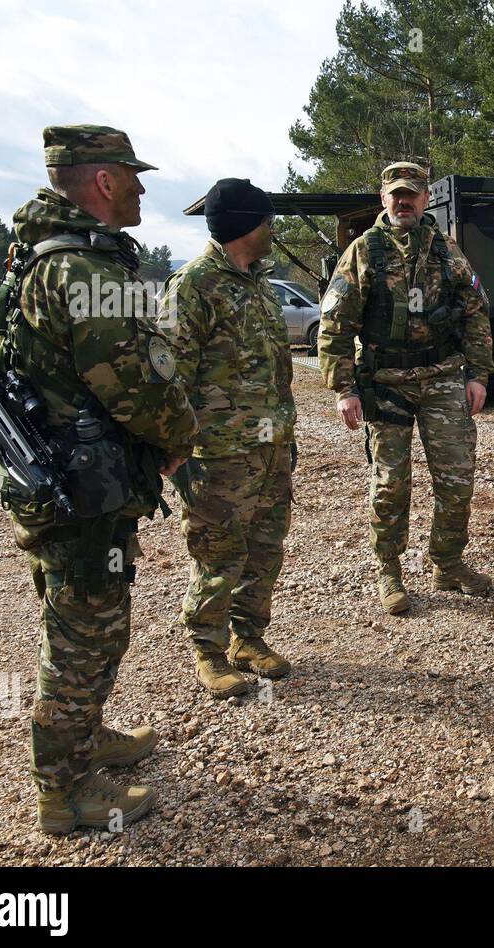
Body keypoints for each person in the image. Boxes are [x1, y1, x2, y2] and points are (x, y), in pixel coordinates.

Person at [0, 126, 197, 833]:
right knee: (82, 634)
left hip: (70, 478)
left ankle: (86, 740)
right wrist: (177, 439)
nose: (143, 189)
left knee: (85, 622)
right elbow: (133, 384)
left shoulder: (40, 253)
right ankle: (65, 790)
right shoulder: (83, 270)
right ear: (105, 182)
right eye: (133, 177)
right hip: (81, 488)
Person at [318, 161, 494, 614]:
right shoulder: (363, 251)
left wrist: (478, 374)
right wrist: (344, 388)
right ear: (383, 199)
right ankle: (389, 572)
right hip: (385, 383)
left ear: (425, 199)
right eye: (395, 194)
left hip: (441, 379)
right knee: (390, 484)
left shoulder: (447, 250)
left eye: (411, 194)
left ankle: (448, 563)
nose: (403, 202)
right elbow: (335, 324)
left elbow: (475, 311)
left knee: (457, 480)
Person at [160, 178, 295, 698]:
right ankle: (208, 652)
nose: (272, 230)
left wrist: (286, 435)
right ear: (246, 226)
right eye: (266, 222)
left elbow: (277, 369)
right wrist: (177, 449)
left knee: (265, 547)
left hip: (270, 445)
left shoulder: (259, 281)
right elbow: (170, 376)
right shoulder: (193, 285)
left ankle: (248, 638)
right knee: (219, 554)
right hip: (217, 454)